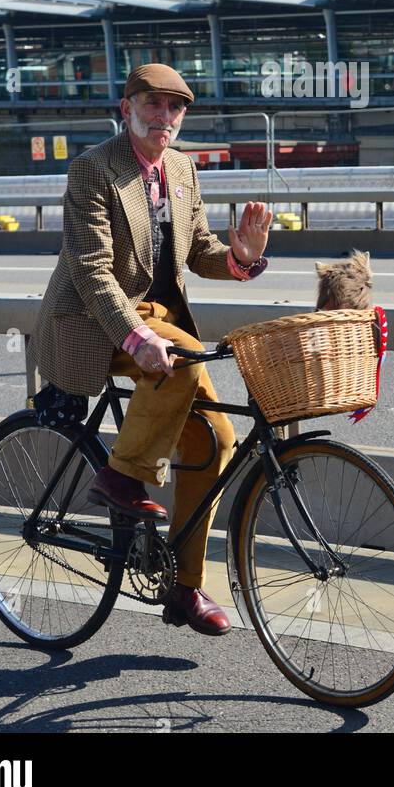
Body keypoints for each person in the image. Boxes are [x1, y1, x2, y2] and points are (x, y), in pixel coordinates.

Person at [26, 62, 272, 636]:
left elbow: (199, 252)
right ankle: (121, 475)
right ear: (127, 108)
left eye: (176, 107)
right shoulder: (93, 169)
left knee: (217, 438)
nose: (165, 116)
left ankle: (184, 589)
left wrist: (240, 258)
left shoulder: (183, 168)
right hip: (92, 318)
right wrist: (136, 338)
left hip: (160, 317)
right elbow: (90, 272)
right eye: (153, 105)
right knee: (180, 359)